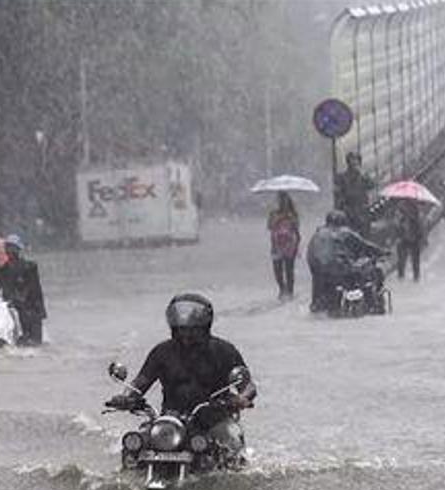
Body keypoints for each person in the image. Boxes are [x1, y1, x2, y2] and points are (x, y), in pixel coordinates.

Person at [105, 293, 256, 456]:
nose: (186, 336)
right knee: (135, 445)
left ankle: (236, 477)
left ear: (205, 328)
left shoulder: (223, 351)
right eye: (181, 330)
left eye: (193, 331)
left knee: (230, 441)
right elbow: (142, 380)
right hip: (171, 420)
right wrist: (126, 397)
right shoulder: (162, 352)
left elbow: (247, 384)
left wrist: (242, 398)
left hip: (214, 419)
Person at [306, 209, 388, 313]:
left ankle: (317, 303)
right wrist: (382, 252)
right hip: (340, 270)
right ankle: (370, 303)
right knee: (364, 274)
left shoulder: (318, 233)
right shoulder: (345, 232)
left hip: (318, 270)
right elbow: (365, 245)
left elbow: (311, 253)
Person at [0, 234, 46, 346]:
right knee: (17, 341)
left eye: (12, 248)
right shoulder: (4, 270)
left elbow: (34, 290)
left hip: (31, 312)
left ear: (18, 250)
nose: (9, 251)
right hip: (12, 311)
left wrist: (20, 299)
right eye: (7, 247)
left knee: (34, 342)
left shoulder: (30, 268)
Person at [267, 192, 301, 300]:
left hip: (289, 244)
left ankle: (290, 290)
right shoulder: (273, 213)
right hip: (277, 244)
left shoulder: (293, 214)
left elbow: (296, 227)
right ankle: (282, 288)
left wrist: (290, 218)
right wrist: (279, 218)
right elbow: (270, 226)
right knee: (278, 269)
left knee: (289, 268)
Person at [333, 152, 375, 235]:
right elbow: (338, 193)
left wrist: (363, 175)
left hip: (362, 210)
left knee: (364, 232)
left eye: (357, 161)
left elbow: (371, 185)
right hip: (348, 210)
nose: (354, 164)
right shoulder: (342, 177)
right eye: (352, 161)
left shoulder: (363, 176)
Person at [394, 199, 424, 282]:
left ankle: (413, 276)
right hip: (405, 237)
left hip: (412, 236)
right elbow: (397, 223)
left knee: (413, 259)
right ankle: (404, 276)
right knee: (404, 259)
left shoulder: (416, 209)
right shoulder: (401, 209)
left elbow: (420, 223)